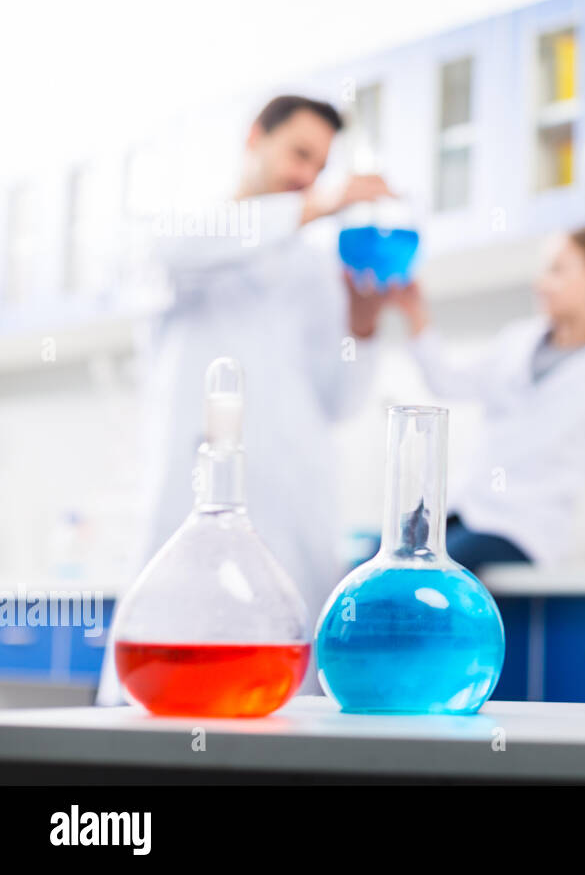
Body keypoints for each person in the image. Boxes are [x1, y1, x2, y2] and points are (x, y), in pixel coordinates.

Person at [98, 95, 395, 703]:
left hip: (295, 499)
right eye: (299, 154)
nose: (307, 175)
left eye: (319, 166)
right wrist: (319, 205)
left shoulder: (315, 267)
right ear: (255, 137)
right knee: (169, 686)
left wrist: (363, 327)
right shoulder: (187, 234)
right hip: (195, 494)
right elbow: (177, 254)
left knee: (286, 702)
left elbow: (336, 402)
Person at [389, 224, 585, 574]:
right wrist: (415, 313)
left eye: (556, 270)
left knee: (430, 573)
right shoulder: (518, 340)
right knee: (381, 559)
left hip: (523, 529)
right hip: (463, 510)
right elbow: (448, 382)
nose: (540, 283)